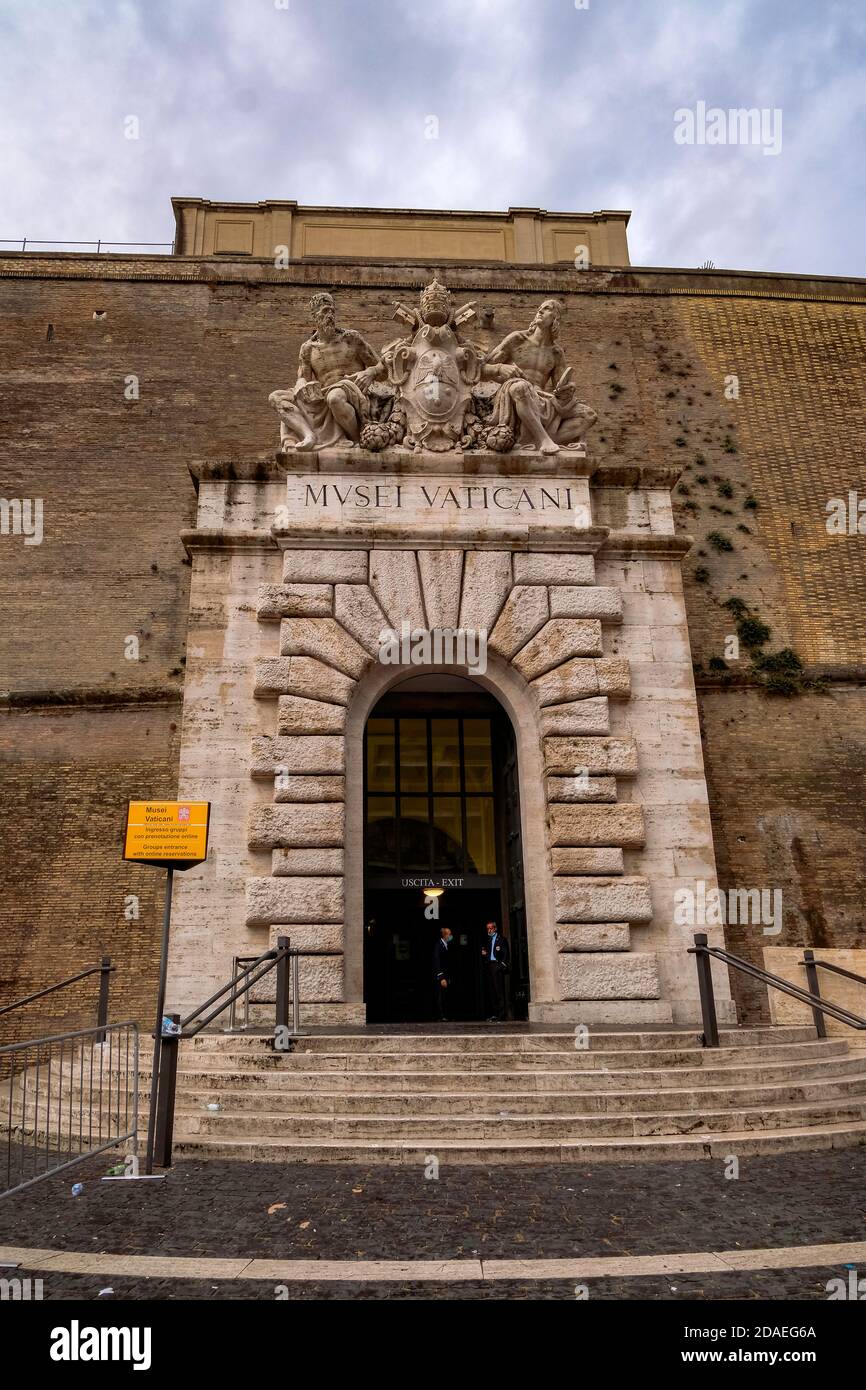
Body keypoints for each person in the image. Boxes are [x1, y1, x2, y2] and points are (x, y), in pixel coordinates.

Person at [481, 920, 510, 1021]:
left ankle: (501, 1015)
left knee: (499, 991)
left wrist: (501, 966)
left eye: (491, 928)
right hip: (489, 966)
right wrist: (484, 954)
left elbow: (506, 954)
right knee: (492, 991)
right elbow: (485, 951)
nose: (489, 930)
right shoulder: (487, 939)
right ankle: (494, 1014)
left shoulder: (501, 939)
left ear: (495, 928)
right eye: (487, 928)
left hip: (496, 966)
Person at [432, 925, 454, 1021]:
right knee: (440, 996)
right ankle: (441, 1016)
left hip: (446, 975)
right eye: (449, 934)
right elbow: (437, 961)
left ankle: (445, 1015)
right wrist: (441, 977)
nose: (451, 936)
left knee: (445, 996)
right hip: (441, 976)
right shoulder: (438, 945)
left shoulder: (447, 945)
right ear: (445, 935)